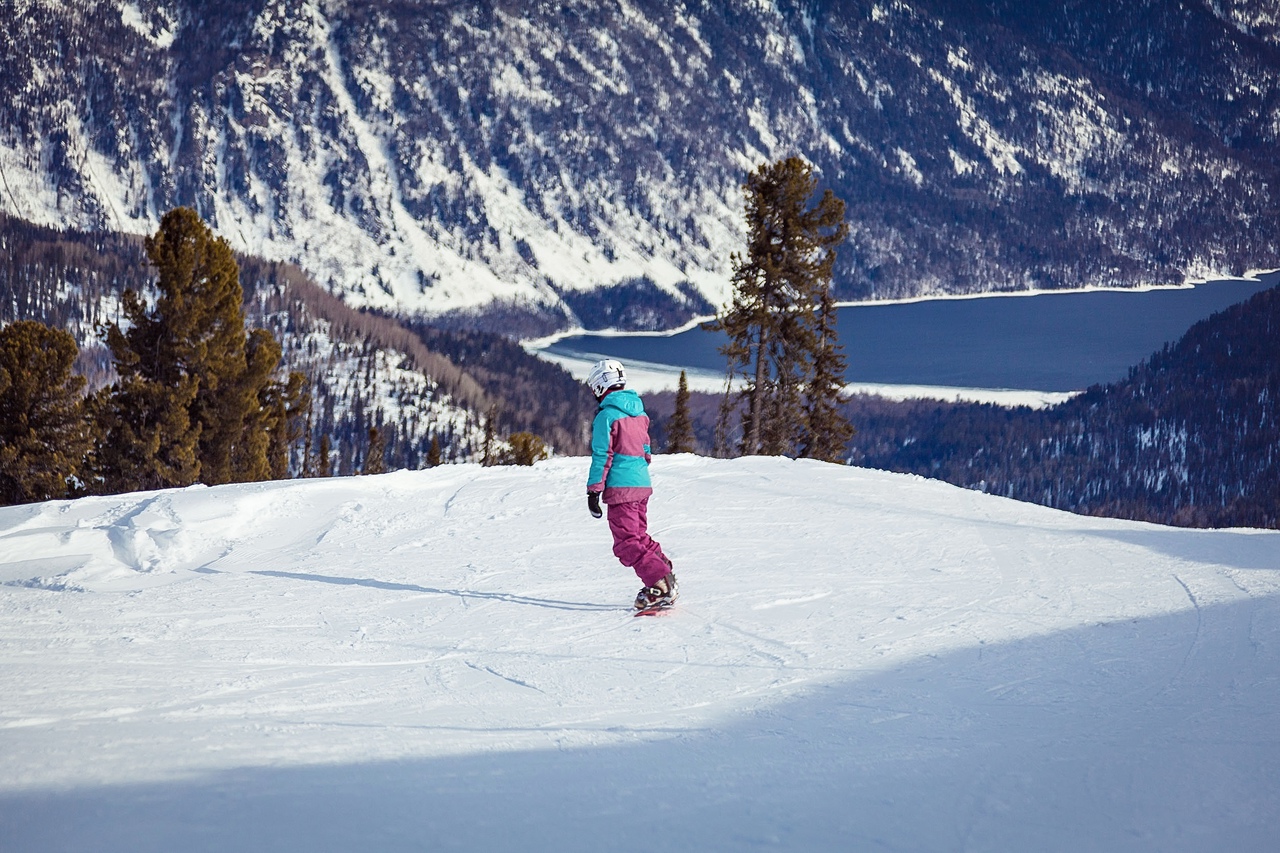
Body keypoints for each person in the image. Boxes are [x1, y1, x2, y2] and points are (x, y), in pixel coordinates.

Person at [584, 359, 678, 611]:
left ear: (602, 386)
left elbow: (603, 455)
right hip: (641, 485)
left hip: (621, 488)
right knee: (637, 536)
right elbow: (646, 451)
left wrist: (594, 490)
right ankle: (664, 574)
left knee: (626, 543)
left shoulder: (607, 416)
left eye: (594, 388)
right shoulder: (639, 413)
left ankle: (659, 584)